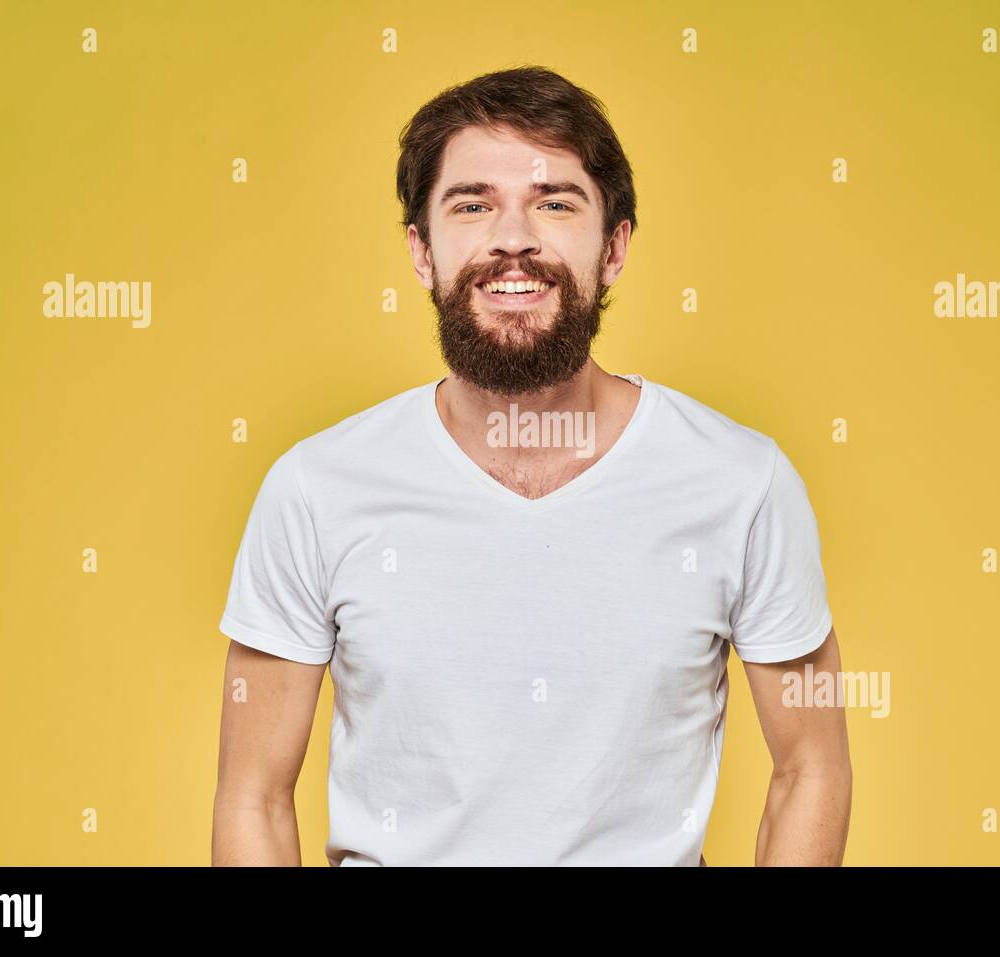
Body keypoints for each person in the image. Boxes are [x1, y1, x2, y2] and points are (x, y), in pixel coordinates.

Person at [212, 65, 851, 866]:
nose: (512, 237)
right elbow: (254, 796)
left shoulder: (741, 484)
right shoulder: (315, 490)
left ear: (614, 247)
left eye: (554, 202)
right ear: (421, 250)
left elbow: (811, 767)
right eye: (473, 204)